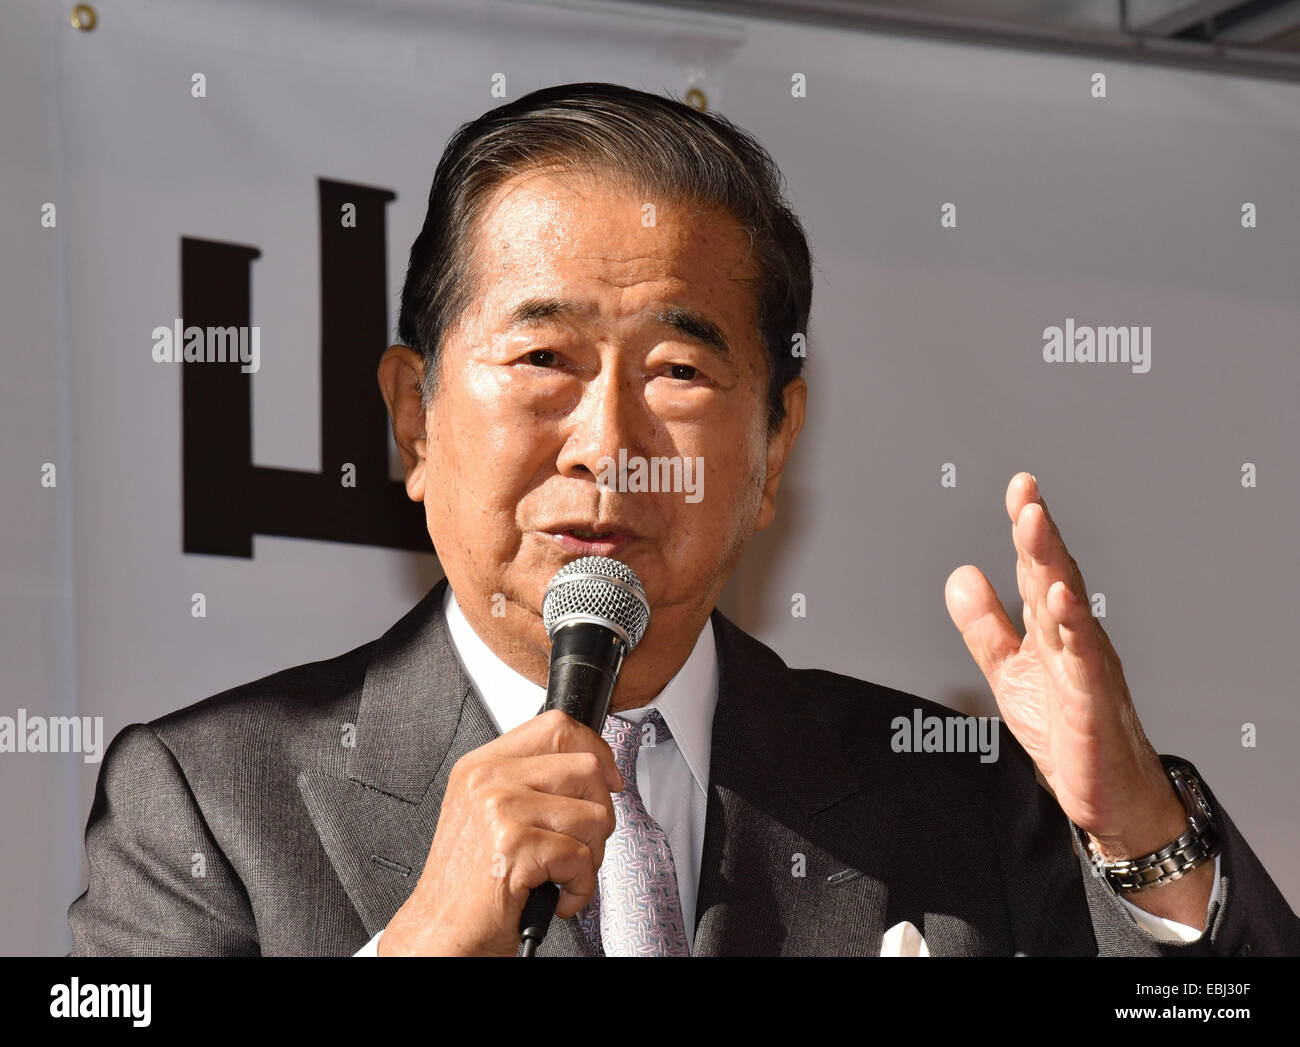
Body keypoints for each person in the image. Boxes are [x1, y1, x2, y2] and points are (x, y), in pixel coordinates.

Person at [69, 82, 1299, 956]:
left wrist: (1137, 822)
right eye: (543, 355)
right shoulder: (209, 802)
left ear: (772, 451)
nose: (609, 444)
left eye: (678, 372)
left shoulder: (964, 797)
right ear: (414, 420)